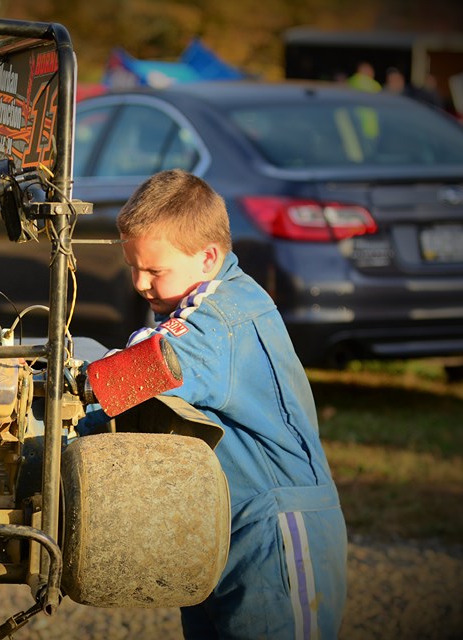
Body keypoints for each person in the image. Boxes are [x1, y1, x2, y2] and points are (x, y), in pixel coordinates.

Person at [85, 169, 347, 639]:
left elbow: (130, 377)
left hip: (275, 531)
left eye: (154, 271)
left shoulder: (221, 318)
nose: (140, 282)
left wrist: (56, 391)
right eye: (133, 267)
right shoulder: (198, 307)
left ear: (208, 257)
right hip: (220, 531)